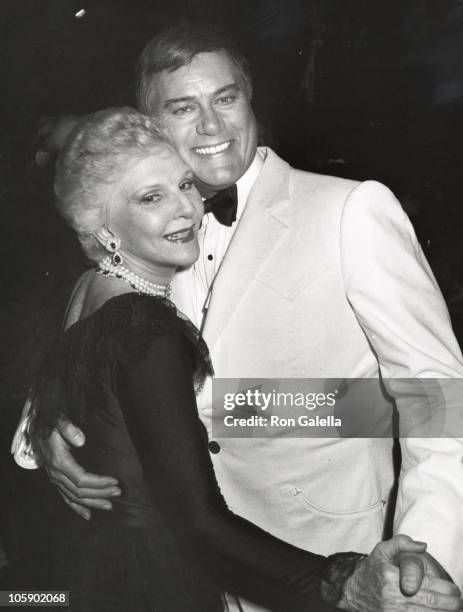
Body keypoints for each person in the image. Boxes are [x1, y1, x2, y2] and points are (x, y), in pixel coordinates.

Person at [12, 24, 463, 611]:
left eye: (226, 98)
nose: (211, 127)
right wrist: (46, 436)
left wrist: (423, 564)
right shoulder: (142, 232)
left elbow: (437, 398)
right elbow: (93, 348)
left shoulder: (349, 209)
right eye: (182, 107)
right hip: (185, 576)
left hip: (331, 564)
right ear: (150, 125)